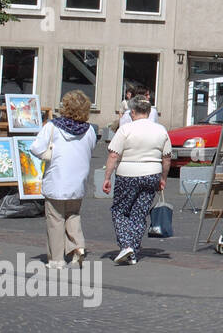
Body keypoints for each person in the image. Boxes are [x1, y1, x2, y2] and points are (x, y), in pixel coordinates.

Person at [31, 91, 97, 268]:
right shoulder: (89, 129)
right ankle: (78, 247)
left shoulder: (53, 127)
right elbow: (90, 150)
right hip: (78, 181)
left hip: (57, 179)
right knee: (73, 215)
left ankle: (57, 260)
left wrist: (48, 154)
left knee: (55, 219)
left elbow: (35, 148)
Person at [103, 95, 172, 265]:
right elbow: (167, 158)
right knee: (139, 213)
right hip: (152, 174)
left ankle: (126, 245)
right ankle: (132, 251)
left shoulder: (126, 129)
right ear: (149, 112)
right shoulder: (161, 130)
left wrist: (107, 177)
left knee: (119, 210)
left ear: (133, 112)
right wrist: (163, 178)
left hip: (128, 173)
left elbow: (113, 154)